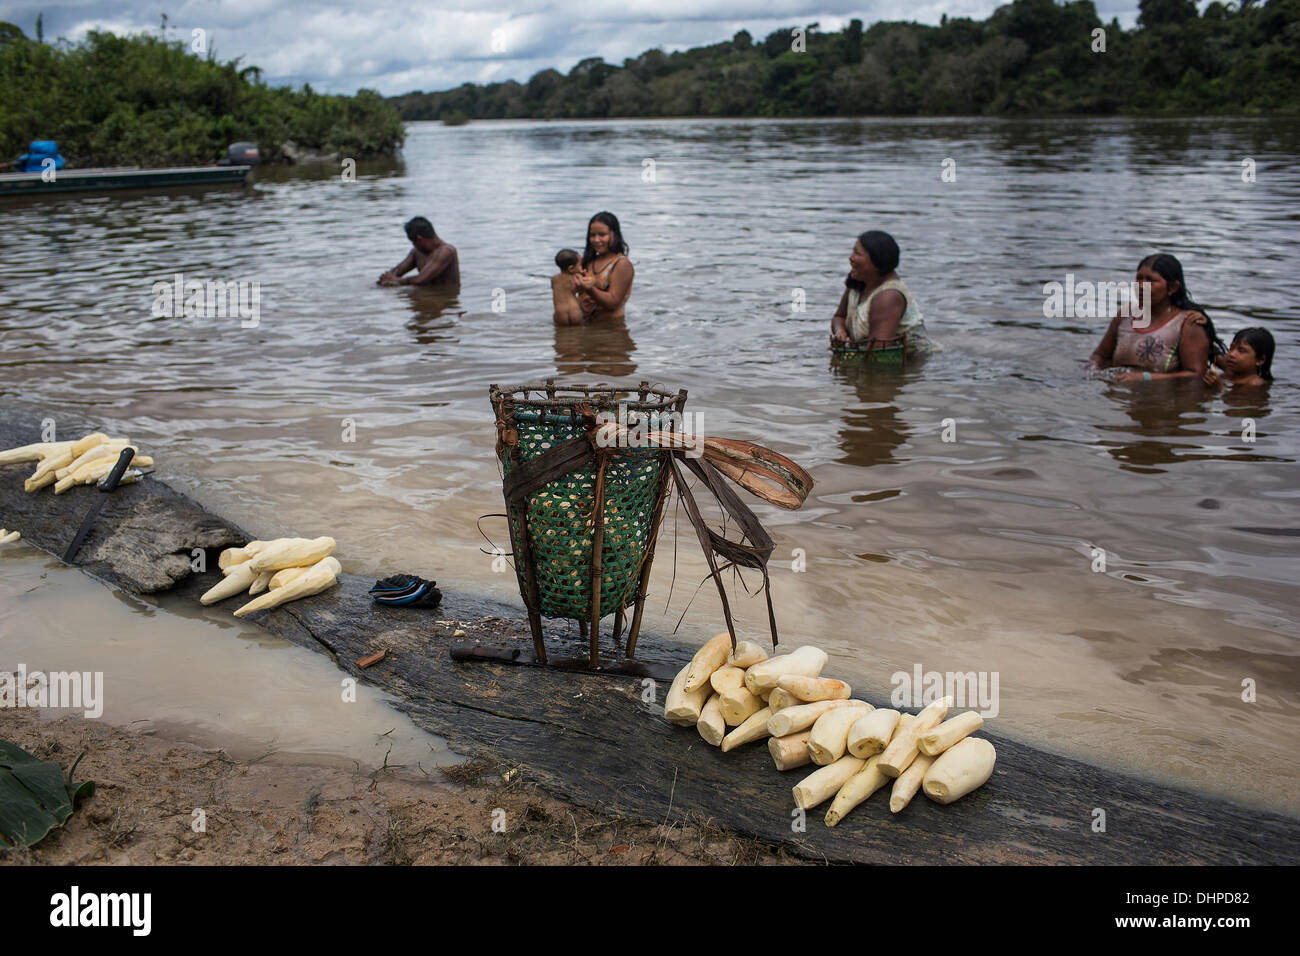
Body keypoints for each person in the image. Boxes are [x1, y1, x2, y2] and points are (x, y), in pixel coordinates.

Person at [1089, 253, 1222, 383]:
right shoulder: (1125, 315)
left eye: (1151, 280)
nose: (1142, 286)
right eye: (1139, 279)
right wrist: (1092, 369)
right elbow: (1100, 355)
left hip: (1164, 401)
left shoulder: (1189, 323)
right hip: (1122, 400)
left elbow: (1196, 375)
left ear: (1173, 287)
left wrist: (1146, 378)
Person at [830, 230, 939, 355]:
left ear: (877, 263)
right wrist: (840, 331)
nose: (851, 258)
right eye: (853, 251)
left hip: (912, 360)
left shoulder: (888, 296)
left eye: (857, 253)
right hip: (867, 354)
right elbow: (839, 317)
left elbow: (879, 351)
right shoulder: (857, 282)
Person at [574, 212, 633, 321]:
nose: (596, 240)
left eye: (602, 235)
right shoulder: (588, 262)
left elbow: (613, 303)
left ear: (614, 234)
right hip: (584, 327)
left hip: (609, 331)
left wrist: (590, 289)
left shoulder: (621, 264)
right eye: (592, 235)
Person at [378, 217, 459, 287]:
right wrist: (387, 278)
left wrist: (396, 280)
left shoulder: (446, 251)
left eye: (414, 243)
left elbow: (421, 280)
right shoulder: (417, 252)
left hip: (443, 302)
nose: (414, 246)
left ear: (420, 239)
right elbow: (398, 270)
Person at [1204, 327, 1274, 389]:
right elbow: (1211, 350)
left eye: (1241, 351)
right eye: (1231, 348)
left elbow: (1235, 401)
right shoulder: (1229, 371)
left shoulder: (1254, 384)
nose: (1231, 354)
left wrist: (1220, 388)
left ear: (1260, 360)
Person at [551, 249, 585, 325]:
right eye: (580, 265)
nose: (581, 268)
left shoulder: (554, 279)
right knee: (578, 333)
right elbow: (582, 289)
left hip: (559, 314)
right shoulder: (576, 277)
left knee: (561, 334)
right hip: (574, 312)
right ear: (571, 268)